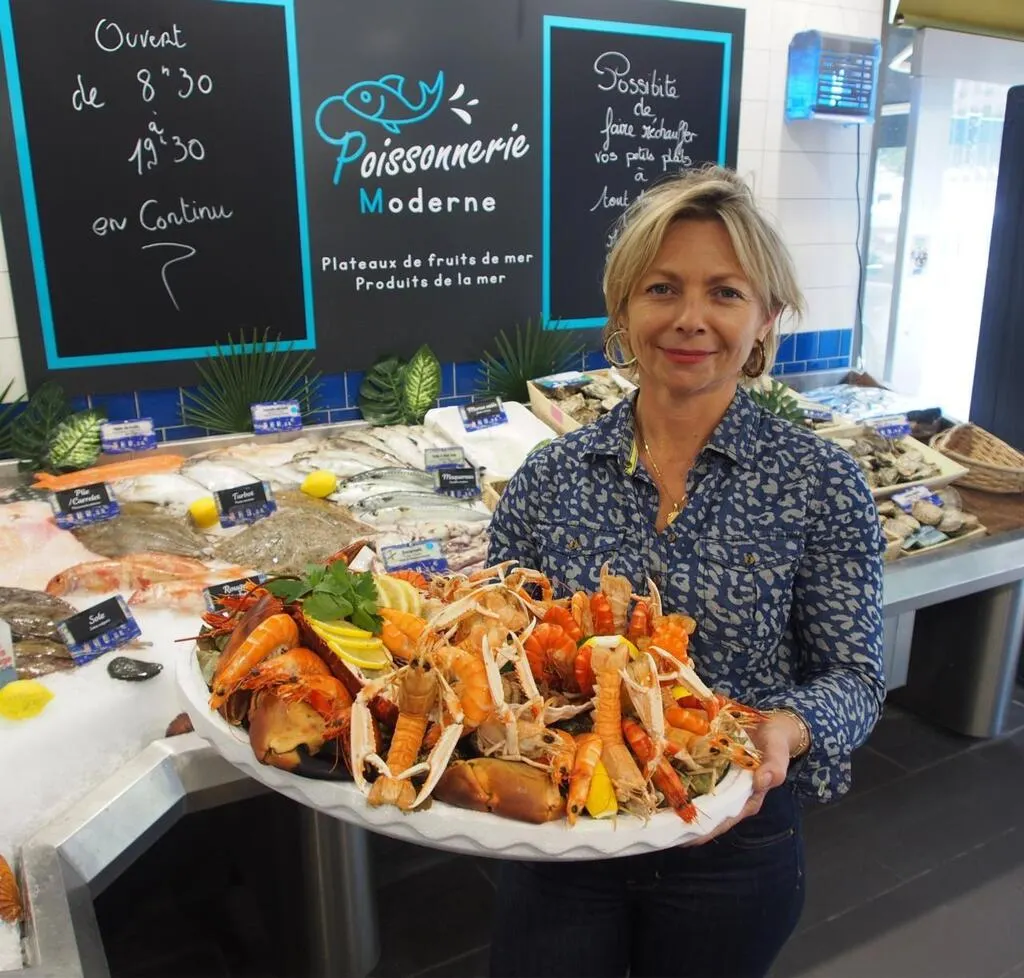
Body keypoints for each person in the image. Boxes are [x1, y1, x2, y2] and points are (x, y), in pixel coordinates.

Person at [486, 165, 886, 978]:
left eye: (726, 293)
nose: (690, 319)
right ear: (625, 310)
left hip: (733, 834)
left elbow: (853, 676)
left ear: (767, 317)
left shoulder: (820, 482)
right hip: (567, 830)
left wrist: (789, 727)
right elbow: (498, 646)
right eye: (662, 288)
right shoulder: (548, 476)